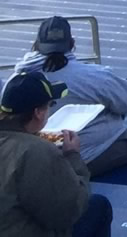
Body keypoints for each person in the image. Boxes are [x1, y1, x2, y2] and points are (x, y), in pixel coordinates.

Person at [11, 17, 127, 180]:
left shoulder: (15, 81)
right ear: (71, 44)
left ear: (37, 45)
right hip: (84, 155)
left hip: (30, 154)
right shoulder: (94, 76)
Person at [0, 69, 112, 237]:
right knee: (98, 206)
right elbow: (68, 212)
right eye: (50, 105)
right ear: (38, 112)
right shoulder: (36, 151)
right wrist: (73, 157)